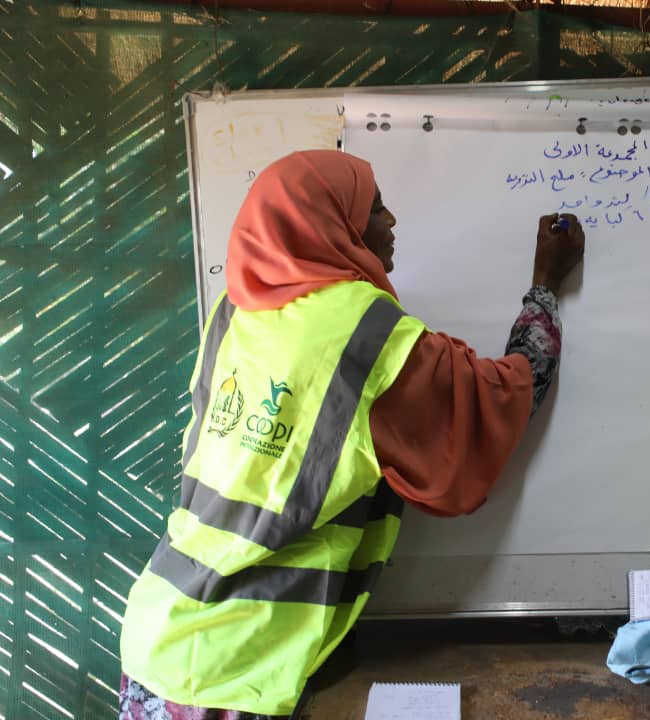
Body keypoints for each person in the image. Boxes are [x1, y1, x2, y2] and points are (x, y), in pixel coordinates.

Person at [118, 149, 585, 720]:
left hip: (158, 636)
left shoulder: (232, 311)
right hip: (245, 668)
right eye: (374, 207)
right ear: (330, 220)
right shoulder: (367, 335)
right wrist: (545, 286)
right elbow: (500, 401)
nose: (390, 222)